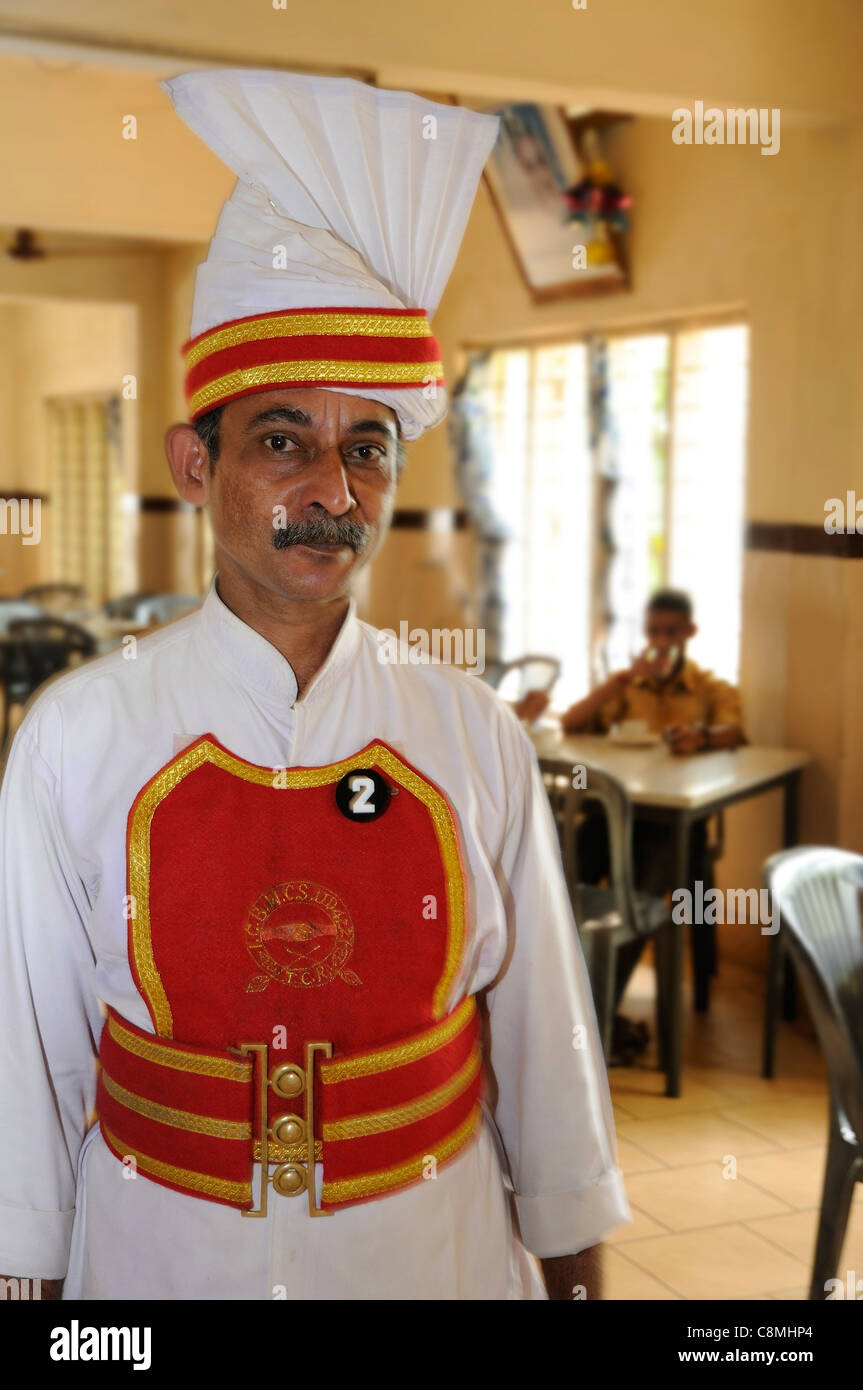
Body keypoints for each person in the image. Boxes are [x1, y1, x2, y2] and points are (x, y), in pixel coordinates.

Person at [0, 70, 629, 1302]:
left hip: (429, 1254)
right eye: (282, 440)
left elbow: (542, 1041)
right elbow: (27, 1056)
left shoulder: (470, 732)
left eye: (367, 449)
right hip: (153, 1262)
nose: (332, 494)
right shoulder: (77, 734)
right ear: (197, 461)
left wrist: (574, 1276)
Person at [560, 589, 746, 1037]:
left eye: (670, 632)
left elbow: (734, 728)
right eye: (653, 632)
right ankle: (562, 1002)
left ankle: (598, 1018)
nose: (660, 642)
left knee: (635, 896)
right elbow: (571, 723)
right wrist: (618, 681)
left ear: (689, 634)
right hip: (616, 817)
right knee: (561, 870)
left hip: (674, 826)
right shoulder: (630, 688)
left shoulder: (709, 689)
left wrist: (700, 736)